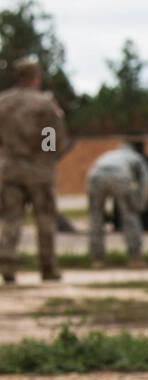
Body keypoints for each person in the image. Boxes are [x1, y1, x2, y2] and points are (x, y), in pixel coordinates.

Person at [0, 55, 66, 283]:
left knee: (11, 219)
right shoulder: (44, 104)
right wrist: (47, 155)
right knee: (45, 220)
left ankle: (7, 265)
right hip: (39, 170)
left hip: (10, 168)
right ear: (35, 77)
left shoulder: (3, 102)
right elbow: (52, 138)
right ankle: (48, 268)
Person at [86, 142, 148, 267]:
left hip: (95, 177)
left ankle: (97, 260)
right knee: (130, 216)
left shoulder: (109, 154)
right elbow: (147, 182)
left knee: (95, 218)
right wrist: (141, 204)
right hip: (120, 177)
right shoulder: (135, 157)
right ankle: (135, 258)